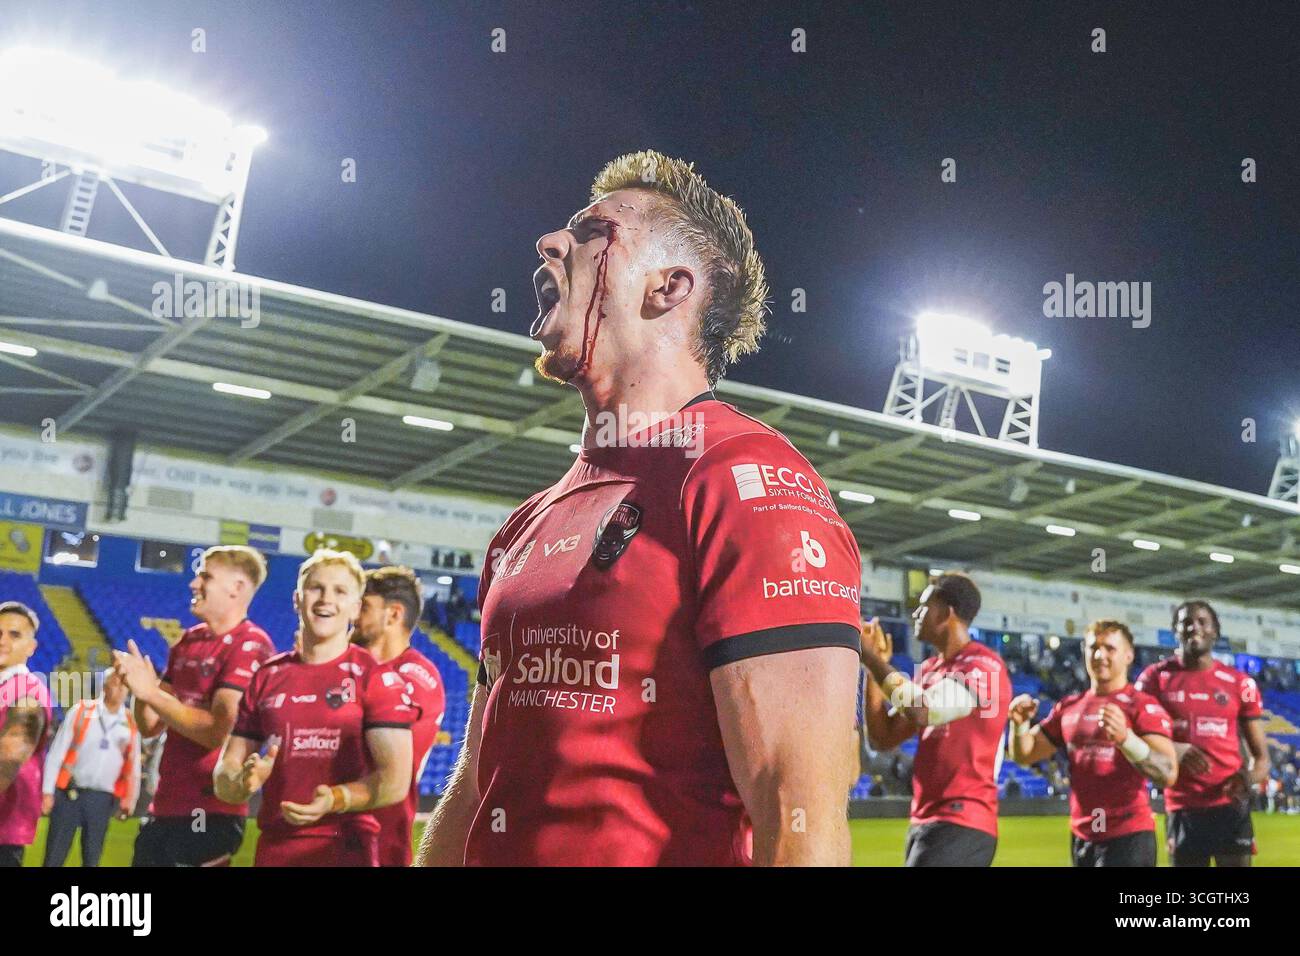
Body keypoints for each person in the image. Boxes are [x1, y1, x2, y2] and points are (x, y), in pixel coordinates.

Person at [417, 150, 862, 867]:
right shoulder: (528, 522)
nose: (551, 243)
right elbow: (476, 778)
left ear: (669, 287)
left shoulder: (745, 476)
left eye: (594, 232)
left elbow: (798, 817)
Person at [214, 549, 415, 866]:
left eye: (339, 591)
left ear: (355, 608)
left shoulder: (376, 677)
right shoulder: (267, 676)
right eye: (316, 588)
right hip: (275, 849)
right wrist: (240, 784)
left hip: (347, 849)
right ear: (297, 599)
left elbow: (395, 781)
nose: (326, 599)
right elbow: (226, 771)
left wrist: (336, 799)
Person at [113, 545, 275, 866]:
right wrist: (139, 690)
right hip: (166, 804)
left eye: (205, 576)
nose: (193, 584)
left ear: (237, 588)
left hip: (210, 809)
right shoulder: (189, 641)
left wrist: (153, 694)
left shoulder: (251, 644)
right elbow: (149, 726)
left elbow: (217, 731)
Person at [859, 574, 1010, 867]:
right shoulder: (929, 670)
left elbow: (923, 710)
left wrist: (873, 659)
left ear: (946, 613)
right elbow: (882, 737)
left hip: (962, 819)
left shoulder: (984, 666)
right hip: (926, 818)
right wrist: (871, 668)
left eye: (924, 606)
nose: (915, 613)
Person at [1009, 620, 1176, 867]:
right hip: (1082, 835)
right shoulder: (1069, 707)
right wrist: (1019, 724)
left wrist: (1126, 740)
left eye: (1110, 648)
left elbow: (1168, 773)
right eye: (1093, 648)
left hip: (1128, 837)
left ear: (1129, 655)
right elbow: (1025, 754)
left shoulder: (1141, 706)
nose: (1100, 655)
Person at [1135, 600, 1269, 867]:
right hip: (1182, 806)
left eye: (1202, 622)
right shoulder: (1154, 680)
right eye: (1186, 622)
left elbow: (1262, 758)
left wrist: (1248, 778)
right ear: (1176, 631)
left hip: (1230, 807)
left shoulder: (1240, 684)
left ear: (1215, 632)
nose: (1193, 627)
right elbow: (1134, 739)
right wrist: (1176, 749)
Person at [351, 566, 444, 866]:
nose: (353, 616)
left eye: (363, 607)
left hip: (381, 841)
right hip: (329, 832)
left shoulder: (417, 675)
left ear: (393, 615)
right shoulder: (352, 668)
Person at [41, 668, 141, 867]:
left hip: (101, 799)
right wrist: (47, 791)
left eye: (125, 685)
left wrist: (130, 798)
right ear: (104, 684)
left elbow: (134, 765)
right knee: (54, 855)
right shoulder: (82, 711)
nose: (121, 689)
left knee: (92, 856)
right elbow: (57, 752)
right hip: (70, 792)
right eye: (116, 682)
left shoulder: (129, 722)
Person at [0, 601, 52, 867]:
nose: (3, 641)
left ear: (31, 648)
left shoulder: (28, 692)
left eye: (14, 634)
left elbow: (7, 762)